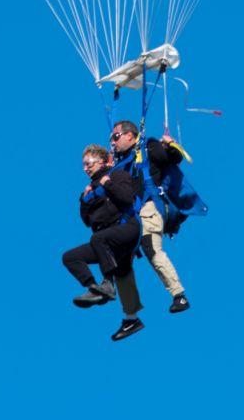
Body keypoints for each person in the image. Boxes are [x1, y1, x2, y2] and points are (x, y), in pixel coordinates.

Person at [61, 144, 146, 341]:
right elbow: (87, 221)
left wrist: (107, 183)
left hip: (127, 230)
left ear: (103, 161)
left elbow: (126, 198)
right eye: (83, 165)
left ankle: (108, 284)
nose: (85, 168)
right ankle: (94, 289)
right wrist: (84, 199)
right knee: (70, 257)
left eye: (89, 163)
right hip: (107, 241)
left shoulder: (117, 175)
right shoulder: (90, 189)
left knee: (98, 238)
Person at [110, 121, 191, 313]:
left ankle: (179, 295)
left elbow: (171, 157)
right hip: (130, 216)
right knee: (120, 261)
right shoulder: (121, 162)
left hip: (149, 209)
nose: (112, 143)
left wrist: (169, 145)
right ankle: (131, 315)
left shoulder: (148, 147)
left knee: (151, 248)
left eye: (115, 137)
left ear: (130, 135)